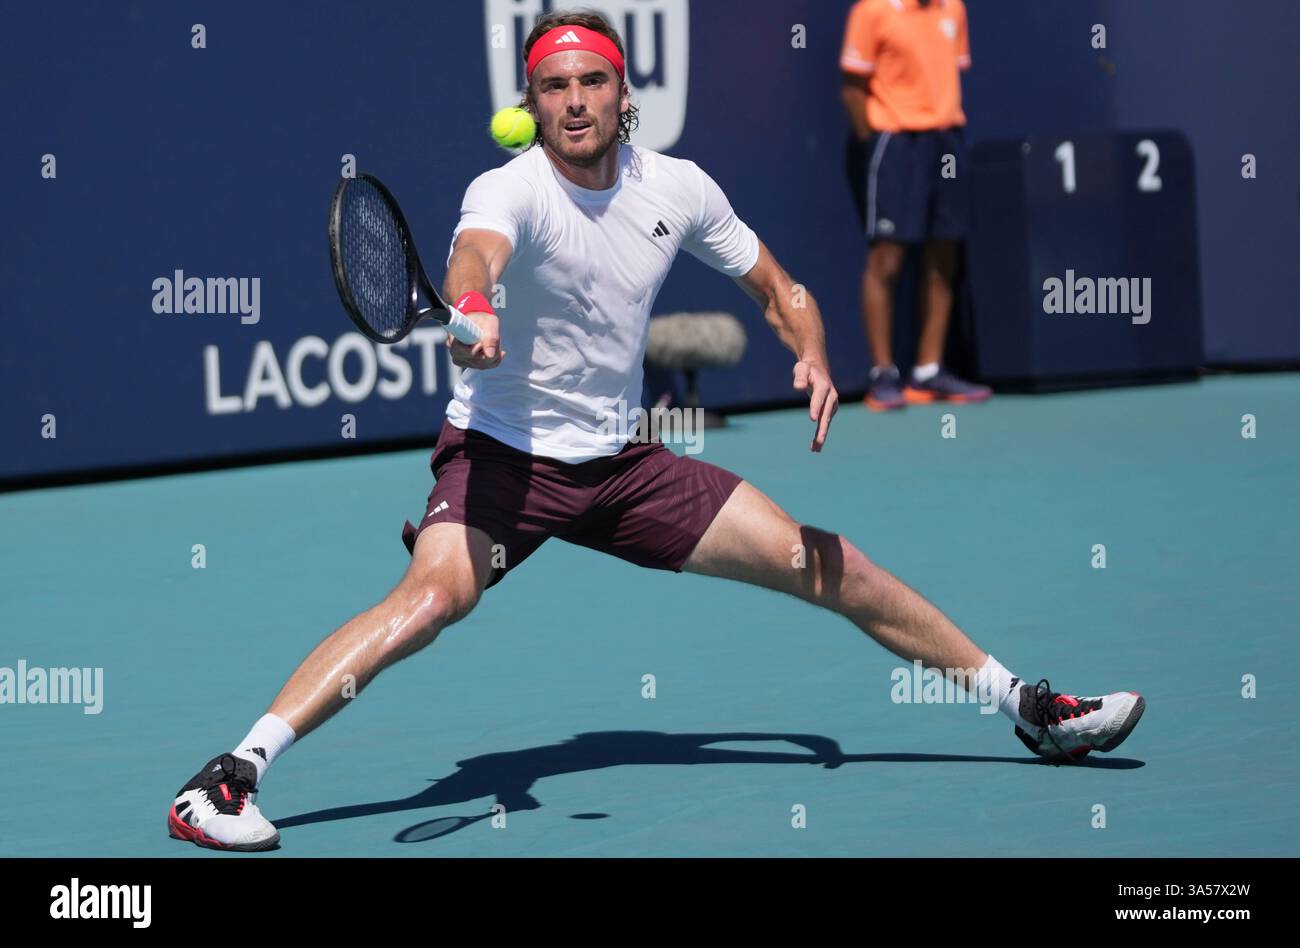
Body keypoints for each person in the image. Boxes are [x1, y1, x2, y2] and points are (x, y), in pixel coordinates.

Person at [166, 10, 1145, 851]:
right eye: (554, 86)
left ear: (623, 92)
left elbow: (780, 286)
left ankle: (1028, 708)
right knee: (430, 604)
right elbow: (472, 258)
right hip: (504, 461)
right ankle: (227, 778)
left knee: (820, 560)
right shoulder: (509, 192)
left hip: (624, 470)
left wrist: (810, 348)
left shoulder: (676, 190)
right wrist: (476, 308)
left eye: (592, 80)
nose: (575, 100)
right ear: (532, 101)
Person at [840, 0, 991, 410]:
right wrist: (876, 141)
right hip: (895, 143)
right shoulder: (871, 11)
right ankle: (883, 373)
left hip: (947, 140)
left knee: (945, 251)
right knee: (886, 259)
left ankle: (928, 369)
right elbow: (853, 88)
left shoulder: (953, 9)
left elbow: (946, 74)